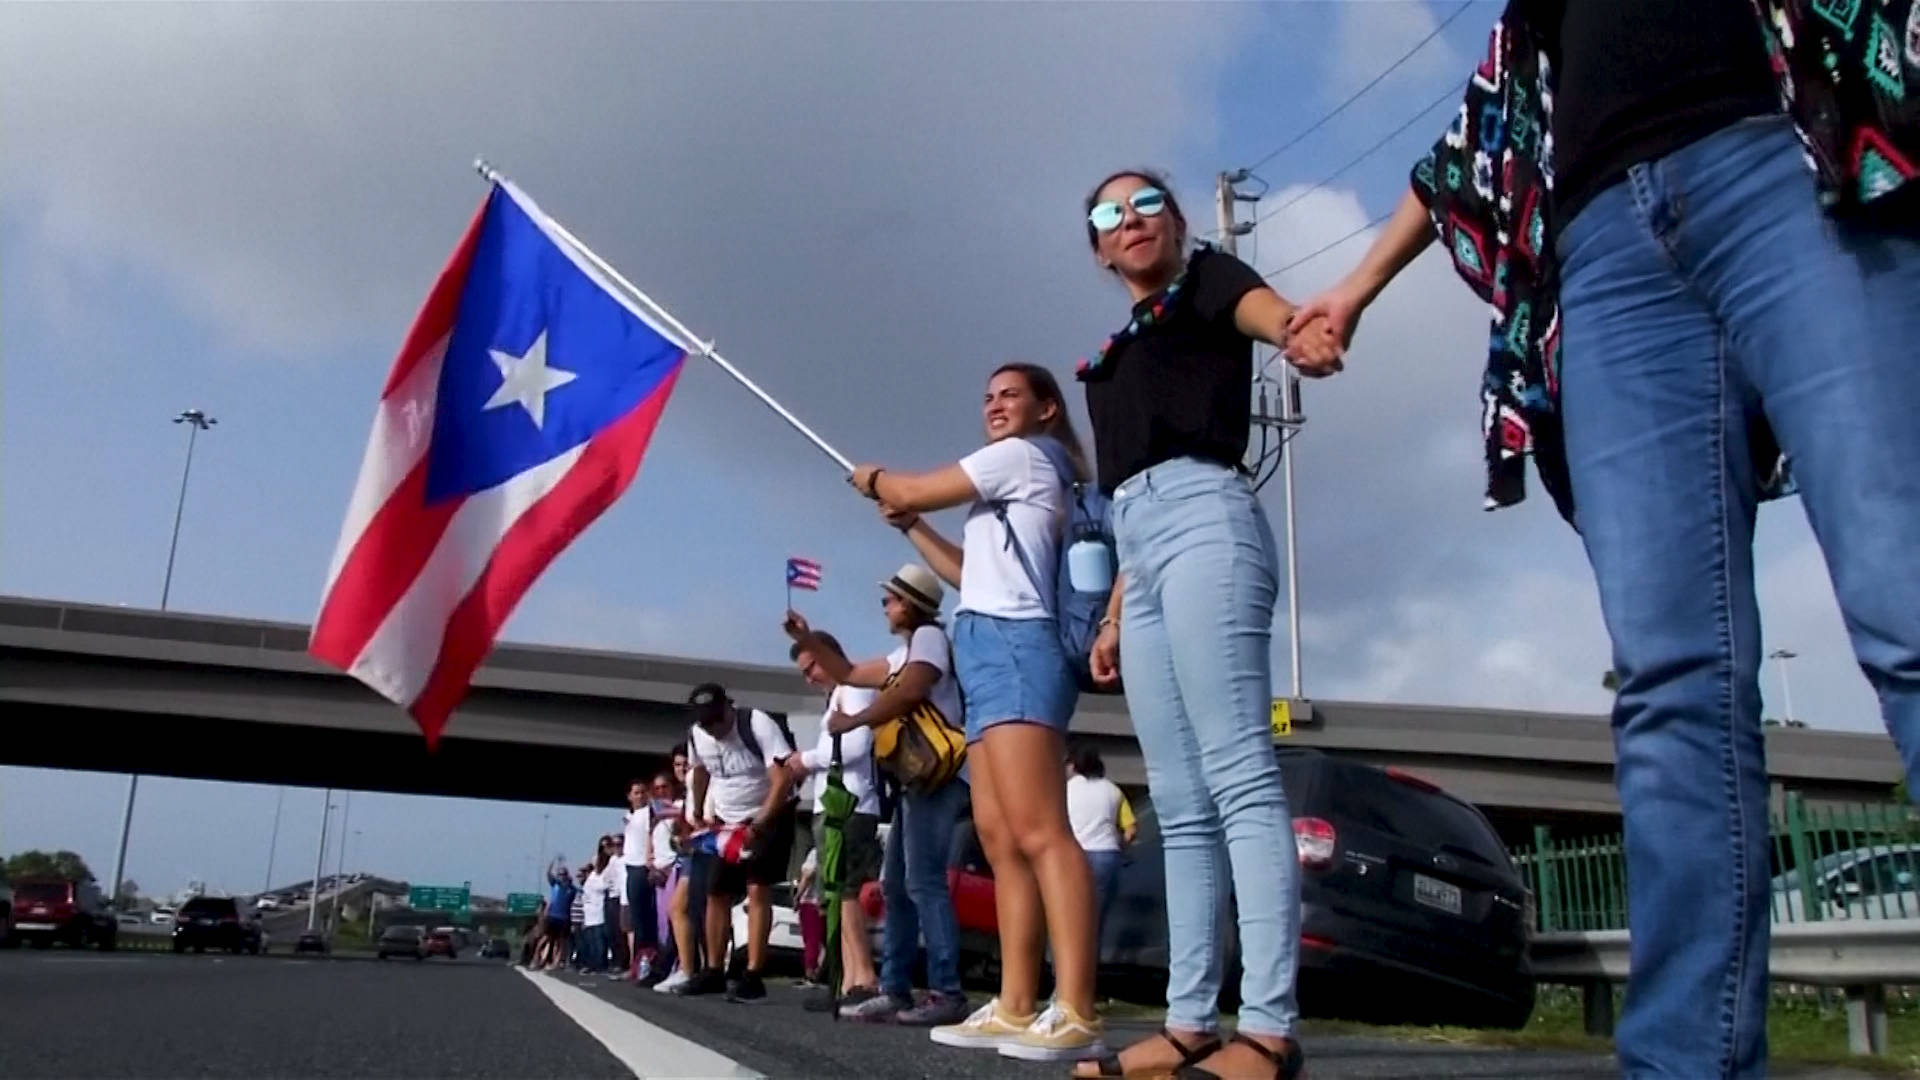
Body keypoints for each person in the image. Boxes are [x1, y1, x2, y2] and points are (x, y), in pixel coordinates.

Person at [1284, 4, 1920, 1074]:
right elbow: (1475, 136)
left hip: (1777, 151)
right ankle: (1685, 1061)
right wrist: (1351, 291)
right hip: (1605, 244)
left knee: (1904, 596)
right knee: (1670, 680)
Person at [1068, 170, 1343, 1080]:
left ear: (1177, 222)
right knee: (1177, 804)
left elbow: (1269, 313)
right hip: (1138, 553)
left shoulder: (1210, 280)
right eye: (1109, 215)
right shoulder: (1113, 354)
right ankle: (1190, 1022)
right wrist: (1112, 613)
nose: (1131, 220)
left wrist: (1299, 331)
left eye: (1146, 203)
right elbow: (1119, 499)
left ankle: (1266, 1030)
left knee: (1239, 777)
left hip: (1206, 520)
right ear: (1101, 251)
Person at [845, 363, 1106, 1061]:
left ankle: (1076, 1006)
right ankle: (1016, 1005)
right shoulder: (1011, 475)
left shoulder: (1023, 457)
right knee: (998, 835)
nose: (994, 406)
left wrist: (877, 482)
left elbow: (911, 484)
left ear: (1047, 408)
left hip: (1021, 646)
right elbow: (969, 573)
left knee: (1041, 830)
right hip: (985, 641)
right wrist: (911, 525)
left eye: (1010, 395)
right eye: (987, 397)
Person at [784, 564, 970, 1027]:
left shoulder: (928, 639)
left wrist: (855, 722)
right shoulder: (903, 650)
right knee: (896, 886)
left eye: (889, 599)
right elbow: (846, 671)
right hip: (916, 782)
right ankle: (895, 989)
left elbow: (909, 692)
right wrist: (808, 639)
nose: (884, 607)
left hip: (937, 778)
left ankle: (947, 991)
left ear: (910, 602)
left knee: (924, 882)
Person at [782, 630, 886, 1012]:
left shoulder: (853, 688)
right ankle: (847, 979)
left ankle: (863, 977)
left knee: (847, 891)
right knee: (837, 892)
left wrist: (806, 760)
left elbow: (856, 745)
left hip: (850, 803)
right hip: (838, 802)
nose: (809, 678)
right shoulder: (840, 694)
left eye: (812, 667)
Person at [679, 682, 800, 1003]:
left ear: (729, 708)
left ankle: (753, 973)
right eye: (706, 722)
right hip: (725, 819)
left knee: (757, 887)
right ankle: (714, 970)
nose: (713, 728)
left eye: (717, 720)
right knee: (716, 890)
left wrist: (760, 823)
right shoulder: (698, 734)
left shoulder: (756, 723)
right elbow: (700, 770)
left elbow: (782, 778)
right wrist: (697, 808)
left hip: (769, 812)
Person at [1065, 746, 1134, 963]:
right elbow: (1131, 830)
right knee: (1094, 925)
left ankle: (1063, 985)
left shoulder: (1066, 789)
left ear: (1074, 766)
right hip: (1107, 856)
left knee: (1068, 924)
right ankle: (1087, 984)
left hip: (1074, 855)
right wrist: (1119, 846)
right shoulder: (1113, 790)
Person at [622, 777, 659, 982]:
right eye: (636, 792)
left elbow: (651, 835)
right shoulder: (630, 816)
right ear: (629, 796)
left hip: (641, 868)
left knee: (645, 920)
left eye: (643, 791)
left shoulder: (649, 812)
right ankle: (637, 963)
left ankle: (645, 963)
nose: (640, 795)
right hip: (630, 867)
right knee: (637, 921)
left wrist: (648, 859)